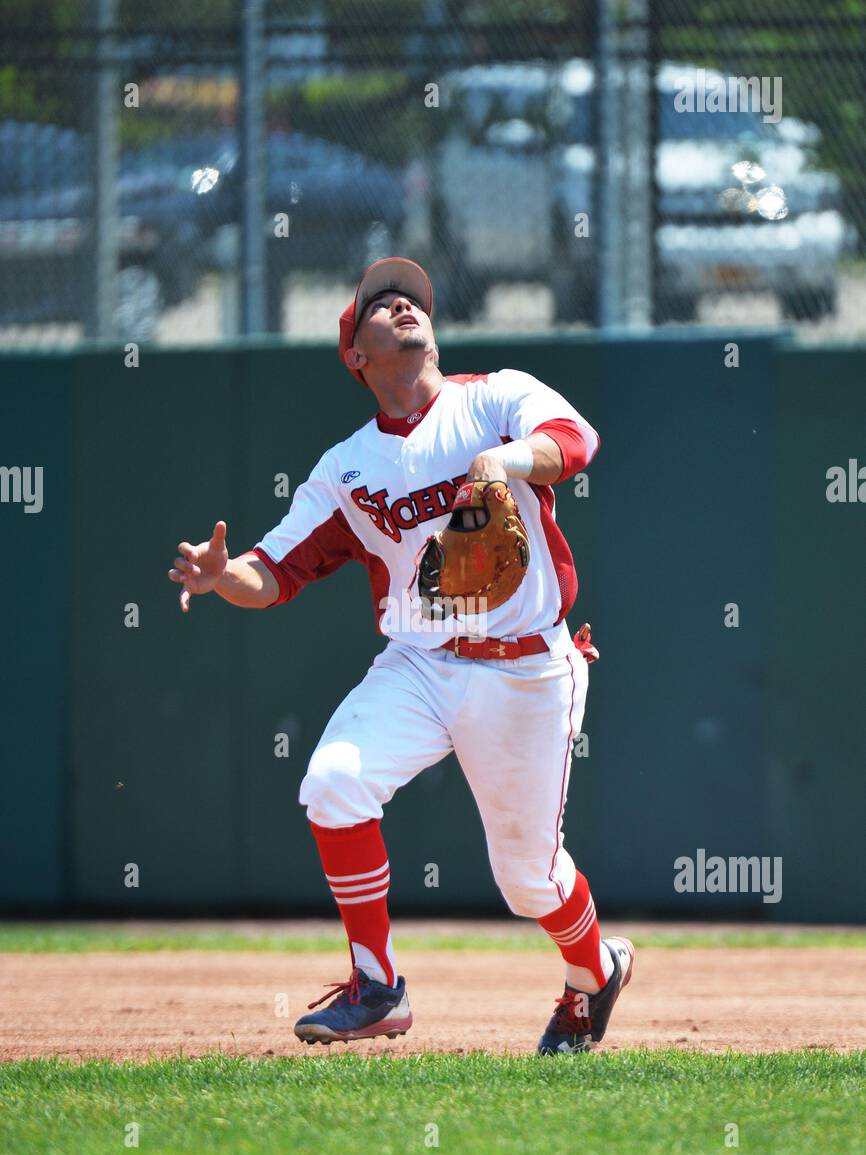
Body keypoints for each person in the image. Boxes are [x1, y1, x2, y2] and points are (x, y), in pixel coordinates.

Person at [168, 257, 634, 1054]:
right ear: (357, 354)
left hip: (526, 666)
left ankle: (596, 971)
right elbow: (274, 570)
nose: (404, 306)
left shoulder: (495, 399)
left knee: (528, 881)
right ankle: (377, 986)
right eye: (382, 305)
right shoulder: (347, 469)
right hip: (420, 662)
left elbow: (577, 438)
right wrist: (223, 577)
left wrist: (507, 460)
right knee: (333, 782)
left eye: (413, 299)